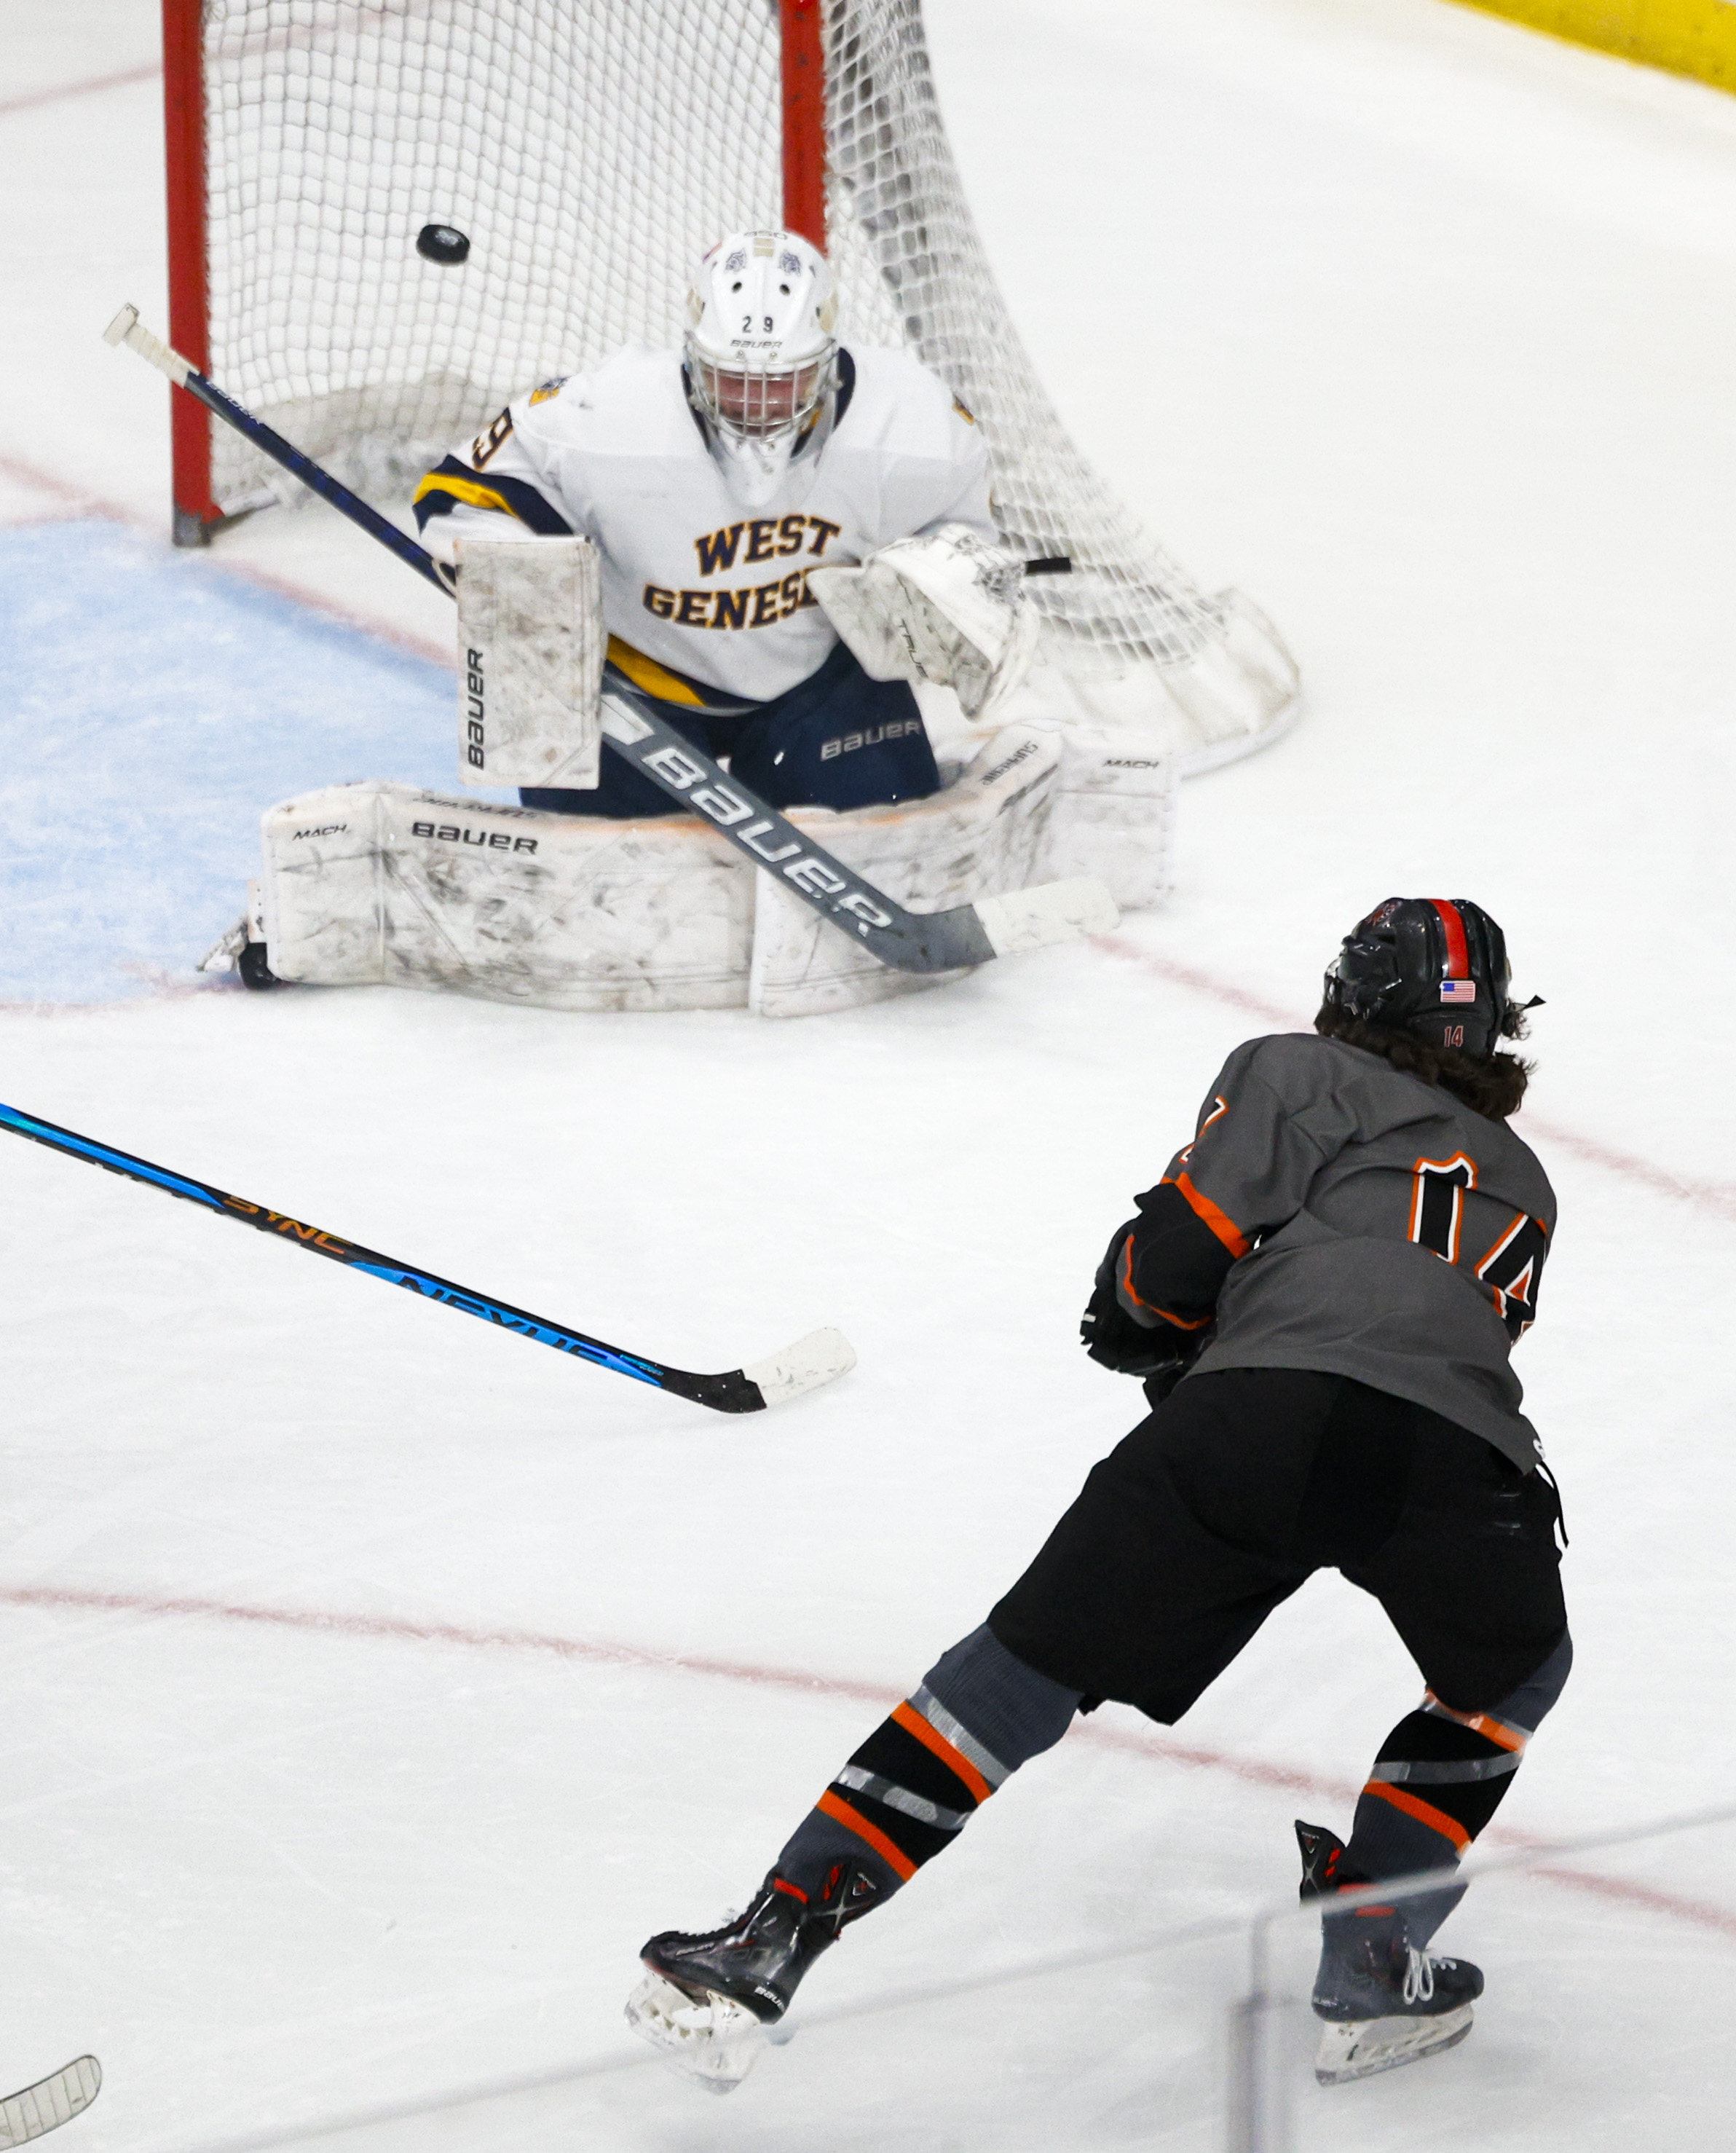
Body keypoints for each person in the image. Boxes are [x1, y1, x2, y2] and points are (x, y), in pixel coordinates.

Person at [626, 898, 1570, 2091]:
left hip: (1253, 1419)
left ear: (1349, 997)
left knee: (1020, 1669)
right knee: (1506, 1671)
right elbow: (1415, 1321)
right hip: (1453, 1453)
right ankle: (1375, 1950)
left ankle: (770, 1936)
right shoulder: (1524, 1178)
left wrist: (1141, 1323)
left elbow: (1177, 1259)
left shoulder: (1298, 1069)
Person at [411, 229, 995, 821]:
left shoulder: (916, 429)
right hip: (626, 685)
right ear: (691, 355)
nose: (759, 405)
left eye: (784, 380)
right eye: (733, 379)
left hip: (816, 678)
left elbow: (967, 543)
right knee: (601, 890)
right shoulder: (603, 417)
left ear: (827, 359)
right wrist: (522, 593)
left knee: (890, 850)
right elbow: (454, 497)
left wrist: (952, 587)